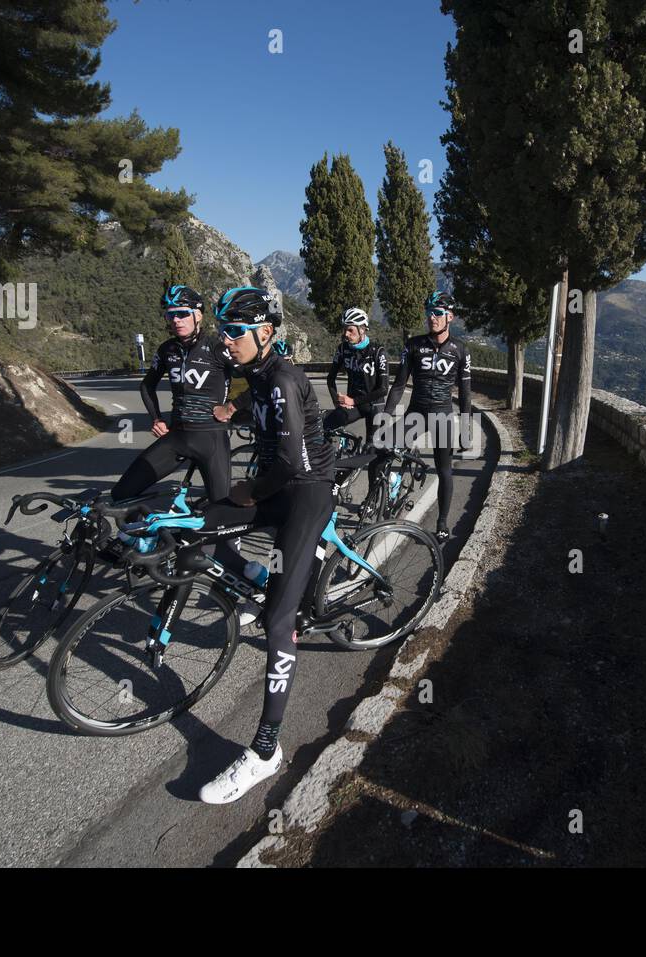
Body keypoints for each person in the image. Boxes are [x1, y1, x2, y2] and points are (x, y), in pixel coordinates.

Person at [190, 286, 336, 804]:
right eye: (222, 332)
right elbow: (242, 410)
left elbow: (294, 464)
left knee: (278, 621)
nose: (225, 341)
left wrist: (251, 491)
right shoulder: (256, 376)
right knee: (199, 524)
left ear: (265, 333)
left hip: (305, 492)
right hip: (277, 485)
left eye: (234, 332)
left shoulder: (285, 379)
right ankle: (258, 574)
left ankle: (266, 750)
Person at [111, 284, 237, 505]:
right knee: (121, 494)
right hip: (177, 436)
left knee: (222, 512)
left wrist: (232, 407)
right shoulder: (166, 349)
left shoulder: (218, 347)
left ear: (197, 315)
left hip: (211, 437)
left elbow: (256, 380)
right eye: (170, 315)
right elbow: (147, 385)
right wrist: (156, 418)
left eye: (182, 314)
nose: (176, 320)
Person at [383, 291, 471, 542]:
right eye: (429, 313)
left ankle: (442, 522)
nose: (432, 318)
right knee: (383, 449)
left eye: (438, 313)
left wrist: (465, 431)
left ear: (450, 317)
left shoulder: (460, 350)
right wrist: (386, 417)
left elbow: (465, 395)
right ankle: (380, 499)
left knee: (444, 471)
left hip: (442, 414)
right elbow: (399, 385)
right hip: (416, 412)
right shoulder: (413, 345)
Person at [324, 307, 388, 447]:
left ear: (362, 329)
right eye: (344, 329)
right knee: (326, 425)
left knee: (372, 450)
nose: (346, 334)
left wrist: (353, 401)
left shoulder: (377, 352)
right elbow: (330, 378)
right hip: (354, 405)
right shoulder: (343, 349)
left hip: (374, 406)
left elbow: (383, 389)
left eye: (350, 330)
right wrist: (337, 401)